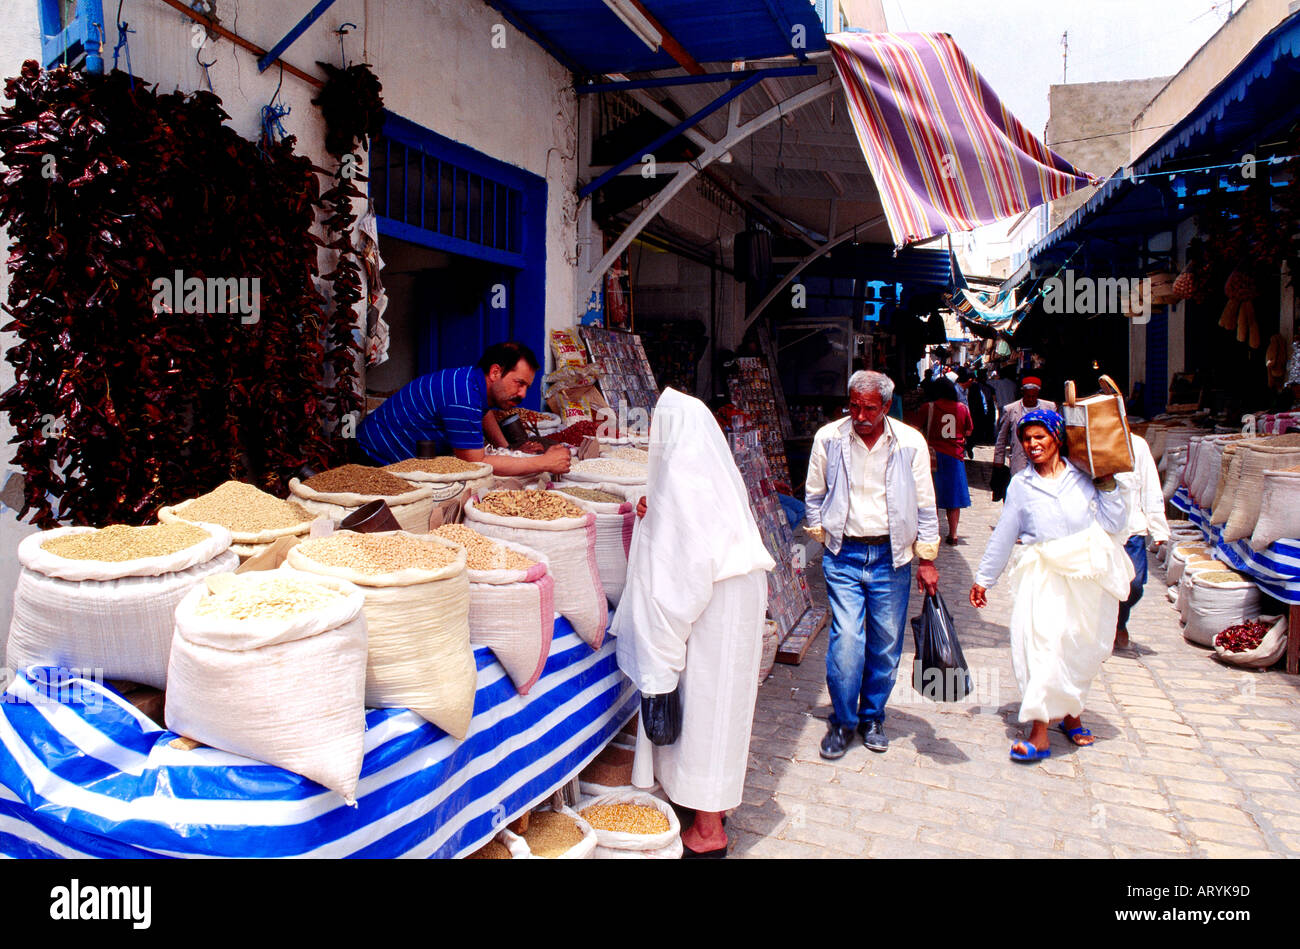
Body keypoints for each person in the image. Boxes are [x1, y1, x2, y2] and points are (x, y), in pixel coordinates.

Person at [612, 388, 775, 858]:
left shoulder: (685, 485)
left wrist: (658, 661)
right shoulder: (711, 473)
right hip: (733, 594)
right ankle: (711, 812)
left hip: (713, 605)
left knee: (705, 716)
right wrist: (653, 511)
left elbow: (673, 577)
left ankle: (707, 834)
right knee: (722, 712)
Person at [969, 409, 1132, 762]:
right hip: (1041, 575)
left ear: (1056, 438)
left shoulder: (1084, 477)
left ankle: (1072, 713)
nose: (1032, 445)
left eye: (1040, 437)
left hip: (1084, 576)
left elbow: (1114, 521)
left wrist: (1109, 486)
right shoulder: (1021, 485)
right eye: (1027, 439)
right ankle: (1039, 732)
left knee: (1078, 647)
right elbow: (1005, 534)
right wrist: (984, 578)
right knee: (1040, 648)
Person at [805, 371, 941, 758]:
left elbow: (925, 504)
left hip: (891, 558)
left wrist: (927, 559)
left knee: (884, 645)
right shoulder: (829, 438)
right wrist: (820, 531)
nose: (861, 415)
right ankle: (844, 721)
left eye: (869, 408)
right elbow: (814, 493)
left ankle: (872, 716)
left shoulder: (909, 442)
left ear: (885, 406)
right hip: (844, 556)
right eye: (854, 406)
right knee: (847, 641)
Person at [357, 341, 570, 477]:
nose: (523, 394)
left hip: (389, 450)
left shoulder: (471, 381)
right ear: (495, 372)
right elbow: (475, 463)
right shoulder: (463, 397)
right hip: (374, 459)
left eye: (527, 387)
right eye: (519, 383)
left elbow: (484, 412)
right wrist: (544, 462)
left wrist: (508, 449)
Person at [1113, 431, 1170, 650]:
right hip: (1101, 530)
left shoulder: (1137, 445)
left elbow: (1150, 486)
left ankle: (1120, 620)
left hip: (1132, 529)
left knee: (1134, 585)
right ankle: (1105, 627)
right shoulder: (1089, 442)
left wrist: (1158, 529)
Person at [919, 379, 973, 545]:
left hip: (932, 457)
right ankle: (953, 534)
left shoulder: (928, 407)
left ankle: (932, 532)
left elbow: (917, 427)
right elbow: (969, 430)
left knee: (931, 495)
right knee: (953, 498)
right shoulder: (962, 408)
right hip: (955, 457)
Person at [990, 375, 1058, 499]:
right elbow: (1002, 438)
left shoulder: (1049, 407)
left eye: (1034, 396)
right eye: (1028, 396)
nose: (1031, 399)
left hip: (1042, 458)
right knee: (1020, 494)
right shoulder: (1011, 409)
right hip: (1020, 460)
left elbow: (1056, 434)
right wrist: (998, 461)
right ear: (1022, 393)